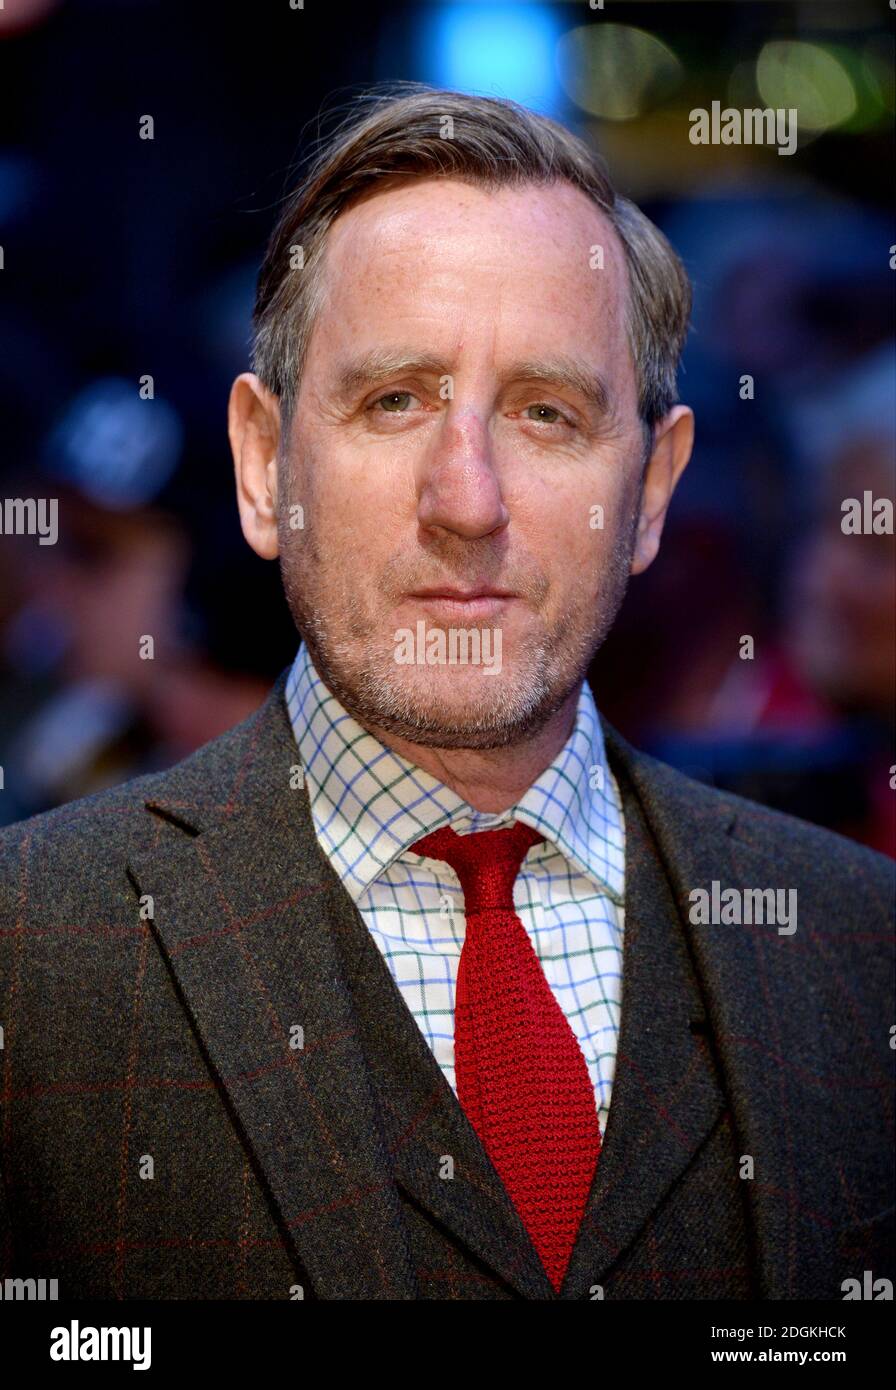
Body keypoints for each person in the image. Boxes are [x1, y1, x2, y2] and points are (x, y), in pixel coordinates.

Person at [0, 86, 892, 1301]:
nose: (465, 497)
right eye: (393, 401)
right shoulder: (31, 955)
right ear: (264, 467)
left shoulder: (858, 943)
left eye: (544, 412)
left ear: (650, 489)